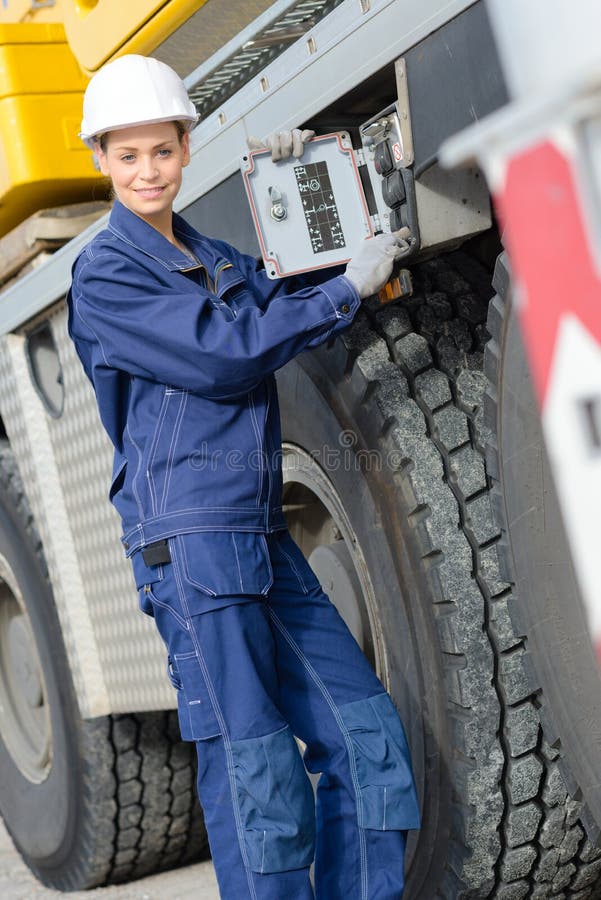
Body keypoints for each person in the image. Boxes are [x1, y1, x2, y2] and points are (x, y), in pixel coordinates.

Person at [67, 54, 420, 900]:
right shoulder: (105, 274)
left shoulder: (210, 252)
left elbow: (277, 293)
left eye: (161, 150)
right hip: (190, 548)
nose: (146, 171)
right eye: (127, 155)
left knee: (366, 737)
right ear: (101, 161)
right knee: (260, 774)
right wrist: (344, 292)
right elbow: (226, 354)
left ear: (188, 149)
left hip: (257, 531)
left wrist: (300, 184)